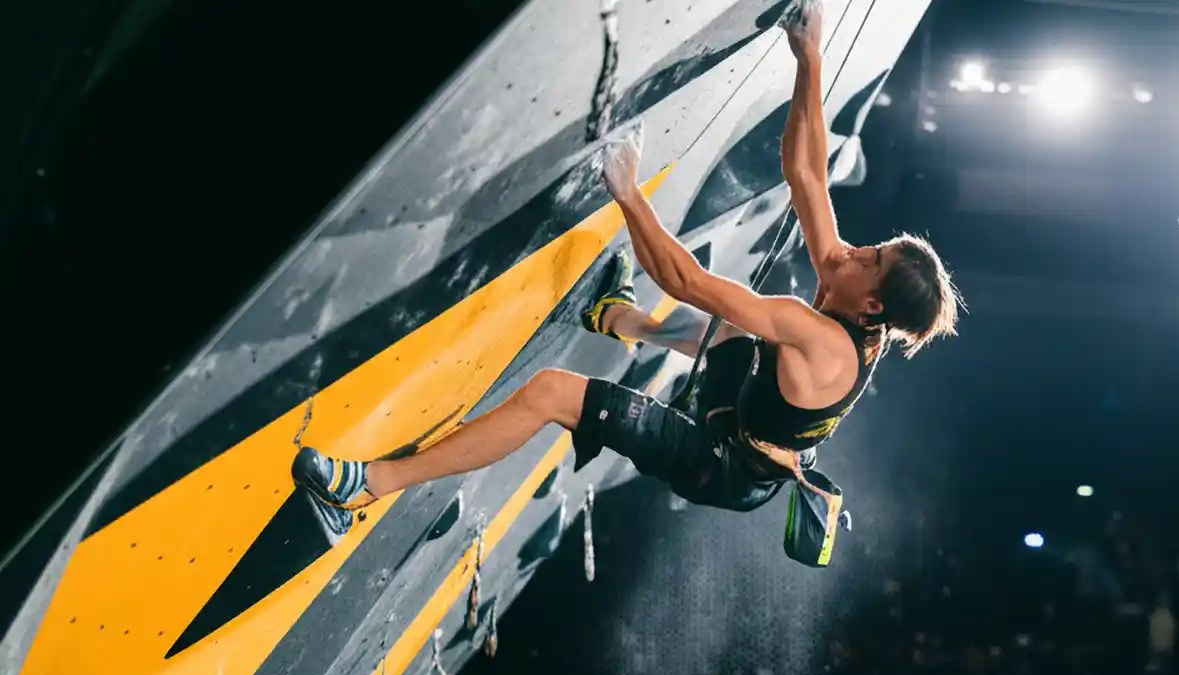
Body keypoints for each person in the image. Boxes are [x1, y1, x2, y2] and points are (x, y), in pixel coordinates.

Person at [290, 0, 962, 552]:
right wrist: (809, 57)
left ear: (872, 305)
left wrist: (628, 193)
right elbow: (806, 172)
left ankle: (364, 488)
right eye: (874, 246)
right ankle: (620, 320)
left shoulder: (819, 335)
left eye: (872, 259)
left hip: (719, 463)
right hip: (754, 415)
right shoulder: (848, 289)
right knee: (737, 322)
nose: (856, 250)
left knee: (554, 391)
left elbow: (688, 281)